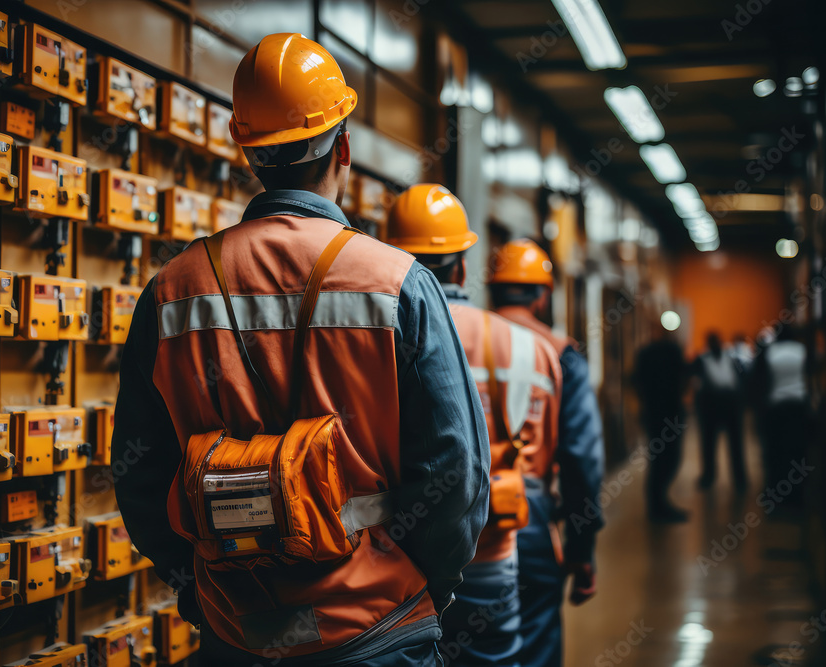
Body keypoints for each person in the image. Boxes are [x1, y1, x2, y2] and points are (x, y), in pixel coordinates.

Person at [111, 33, 489, 666]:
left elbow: (140, 476)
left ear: (246, 149)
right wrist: (429, 591)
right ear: (343, 147)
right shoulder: (398, 283)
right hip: (379, 629)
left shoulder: (172, 290)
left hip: (235, 633)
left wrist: (202, 592)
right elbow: (455, 472)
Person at [386, 185, 563, 666]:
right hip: (493, 549)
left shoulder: (375, 340)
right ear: (463, 265)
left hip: (398, 560)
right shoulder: (532, 348)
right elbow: (545, 456)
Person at [486, 239, 605, 667]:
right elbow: (581, 457)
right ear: (543, 294)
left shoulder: (460, 336)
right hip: (529, 513)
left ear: (492, 290)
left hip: (464, 512)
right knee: (535, 636)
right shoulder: (560, 353)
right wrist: (581, 547)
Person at [633, 320, 690, 522]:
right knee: (667, 459)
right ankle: (658, 505)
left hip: (655, 413)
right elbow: (684, 378)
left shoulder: (646, 353)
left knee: (659, 460)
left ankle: (658, 504)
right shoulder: (671, 351)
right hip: (668, 412)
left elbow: (636, 381)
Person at [751, 325, 809, 496]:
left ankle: (774, 490)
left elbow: (760, 382)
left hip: (775, 408)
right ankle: (796, 494)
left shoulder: (769, 352)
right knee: (797, 452)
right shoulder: (802, 350)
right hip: (798, 406)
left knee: (775, 452)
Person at [692, 331, 747, 491]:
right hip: (711, 405)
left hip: (730, 403)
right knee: (709, 443)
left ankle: (740, 478)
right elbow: (696, 382)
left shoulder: (731, 358)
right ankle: (709, 476)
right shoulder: (701, 359)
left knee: (736, 443)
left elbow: (741, 377)